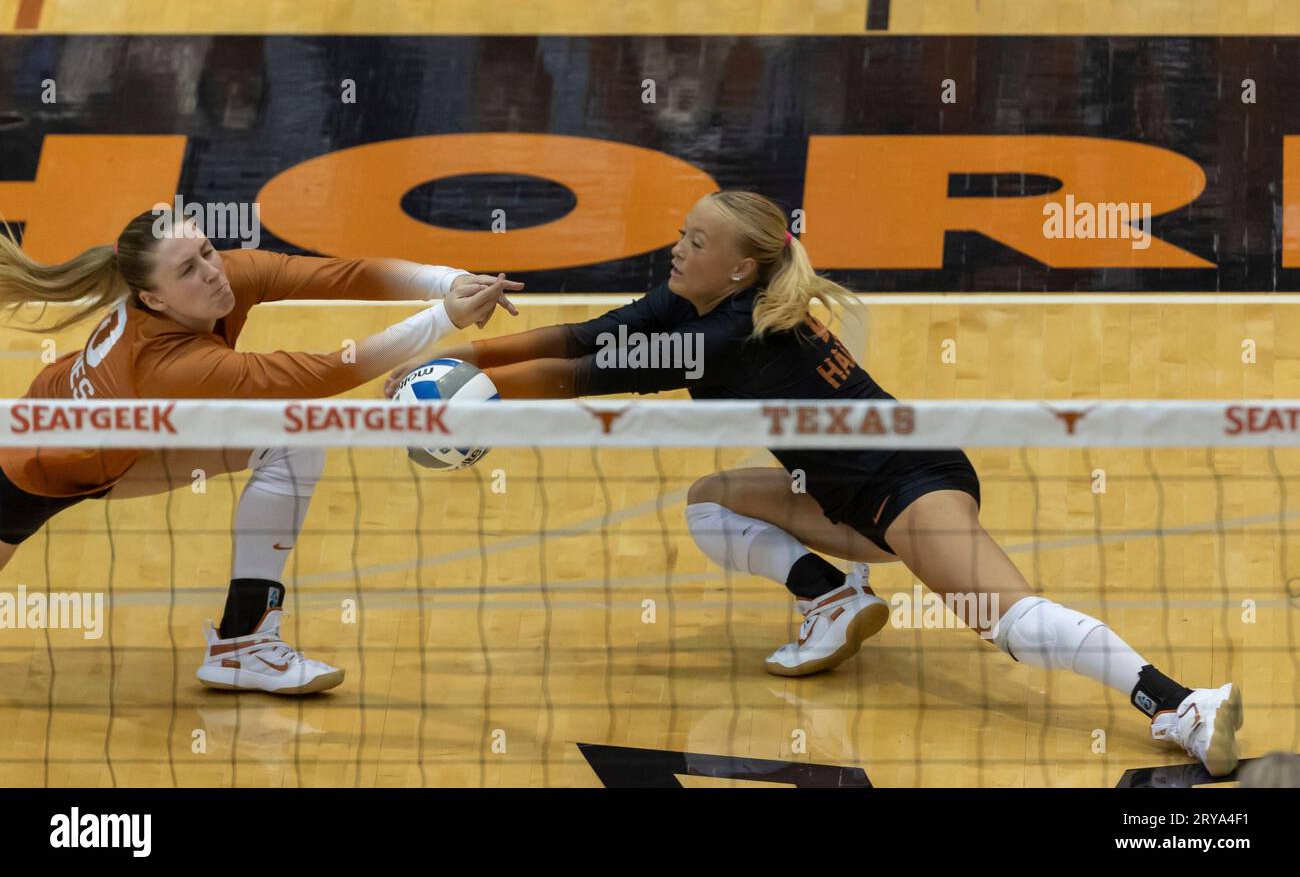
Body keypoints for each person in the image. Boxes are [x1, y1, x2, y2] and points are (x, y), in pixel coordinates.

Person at [387, 189, 1243, 776]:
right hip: (844, 499)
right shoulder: (696, 304)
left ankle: (1179, 704)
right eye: (680, 233)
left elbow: (583, 376)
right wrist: (465, 356)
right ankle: (828, 600)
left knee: (1006, 620)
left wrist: (481, 395)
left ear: (739, 268)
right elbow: (588, 335)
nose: (676, 248)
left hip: (908, 482)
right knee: (712, 505)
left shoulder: (727, 336)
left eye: (695, 241)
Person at [0, 209, 520, 694]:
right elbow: (324, 373)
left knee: (290, 436)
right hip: (33, 468)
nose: (210, 272)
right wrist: (441, 319)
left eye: (207, 250)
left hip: (115, 442)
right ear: (154, 300)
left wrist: (447, 280)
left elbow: (346, 274)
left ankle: (241, 644)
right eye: (187, 269)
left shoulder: (223, 279)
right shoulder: (174, 365)